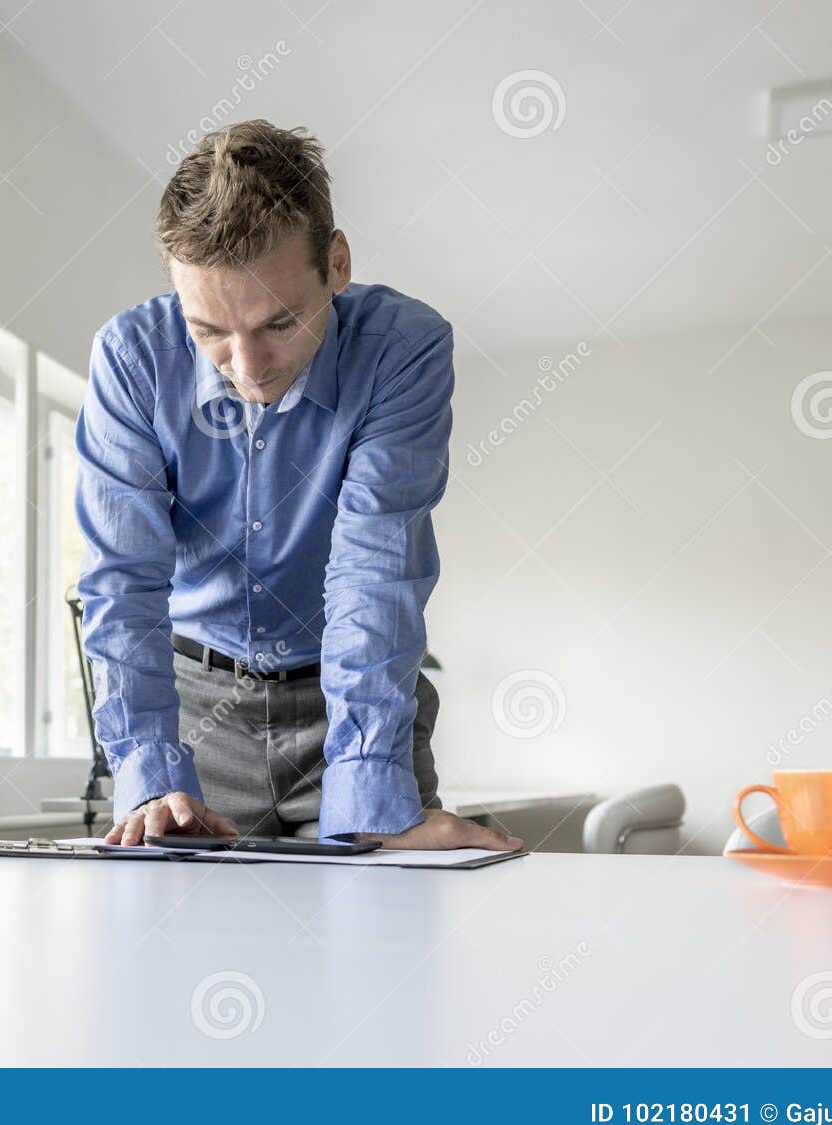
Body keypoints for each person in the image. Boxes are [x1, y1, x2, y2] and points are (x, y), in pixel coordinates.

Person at [75, 119, 521, 853]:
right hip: (195, 714)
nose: (248, 368)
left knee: (381, 943)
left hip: (353, 706)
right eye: (209, 330)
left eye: (278, 322)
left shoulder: (403, 349)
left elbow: (375, 566)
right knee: (177, 947)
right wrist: (150, 773)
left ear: (336, 265)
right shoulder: (130, 358)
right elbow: (123, 579)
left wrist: (372, 778)